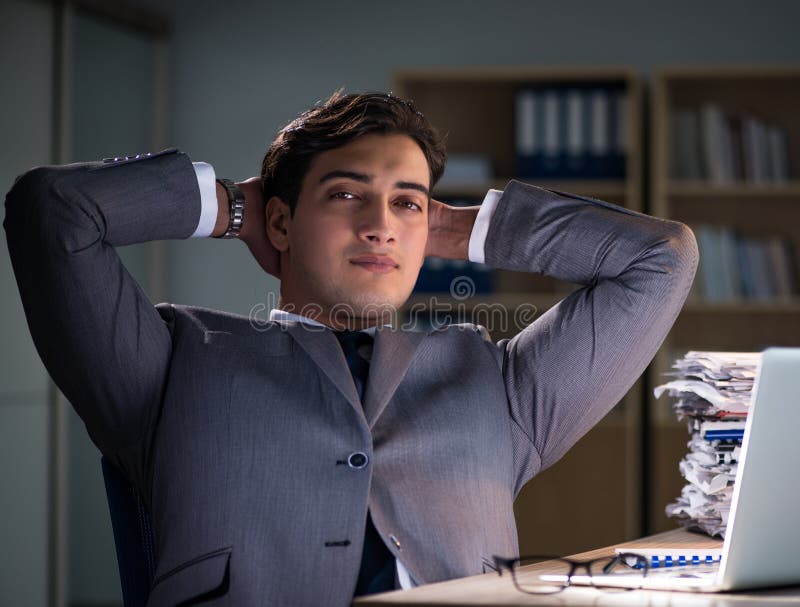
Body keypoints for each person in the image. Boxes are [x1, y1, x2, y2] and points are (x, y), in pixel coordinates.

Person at [4, 91, 698, 606]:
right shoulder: (169, 361)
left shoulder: (496, 381)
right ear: (281, 218)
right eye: (346, 194)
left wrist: (455, 229)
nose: (380, 226)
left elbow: (659, 259)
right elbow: (52, 210)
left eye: (406, 202)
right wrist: (229, 208)